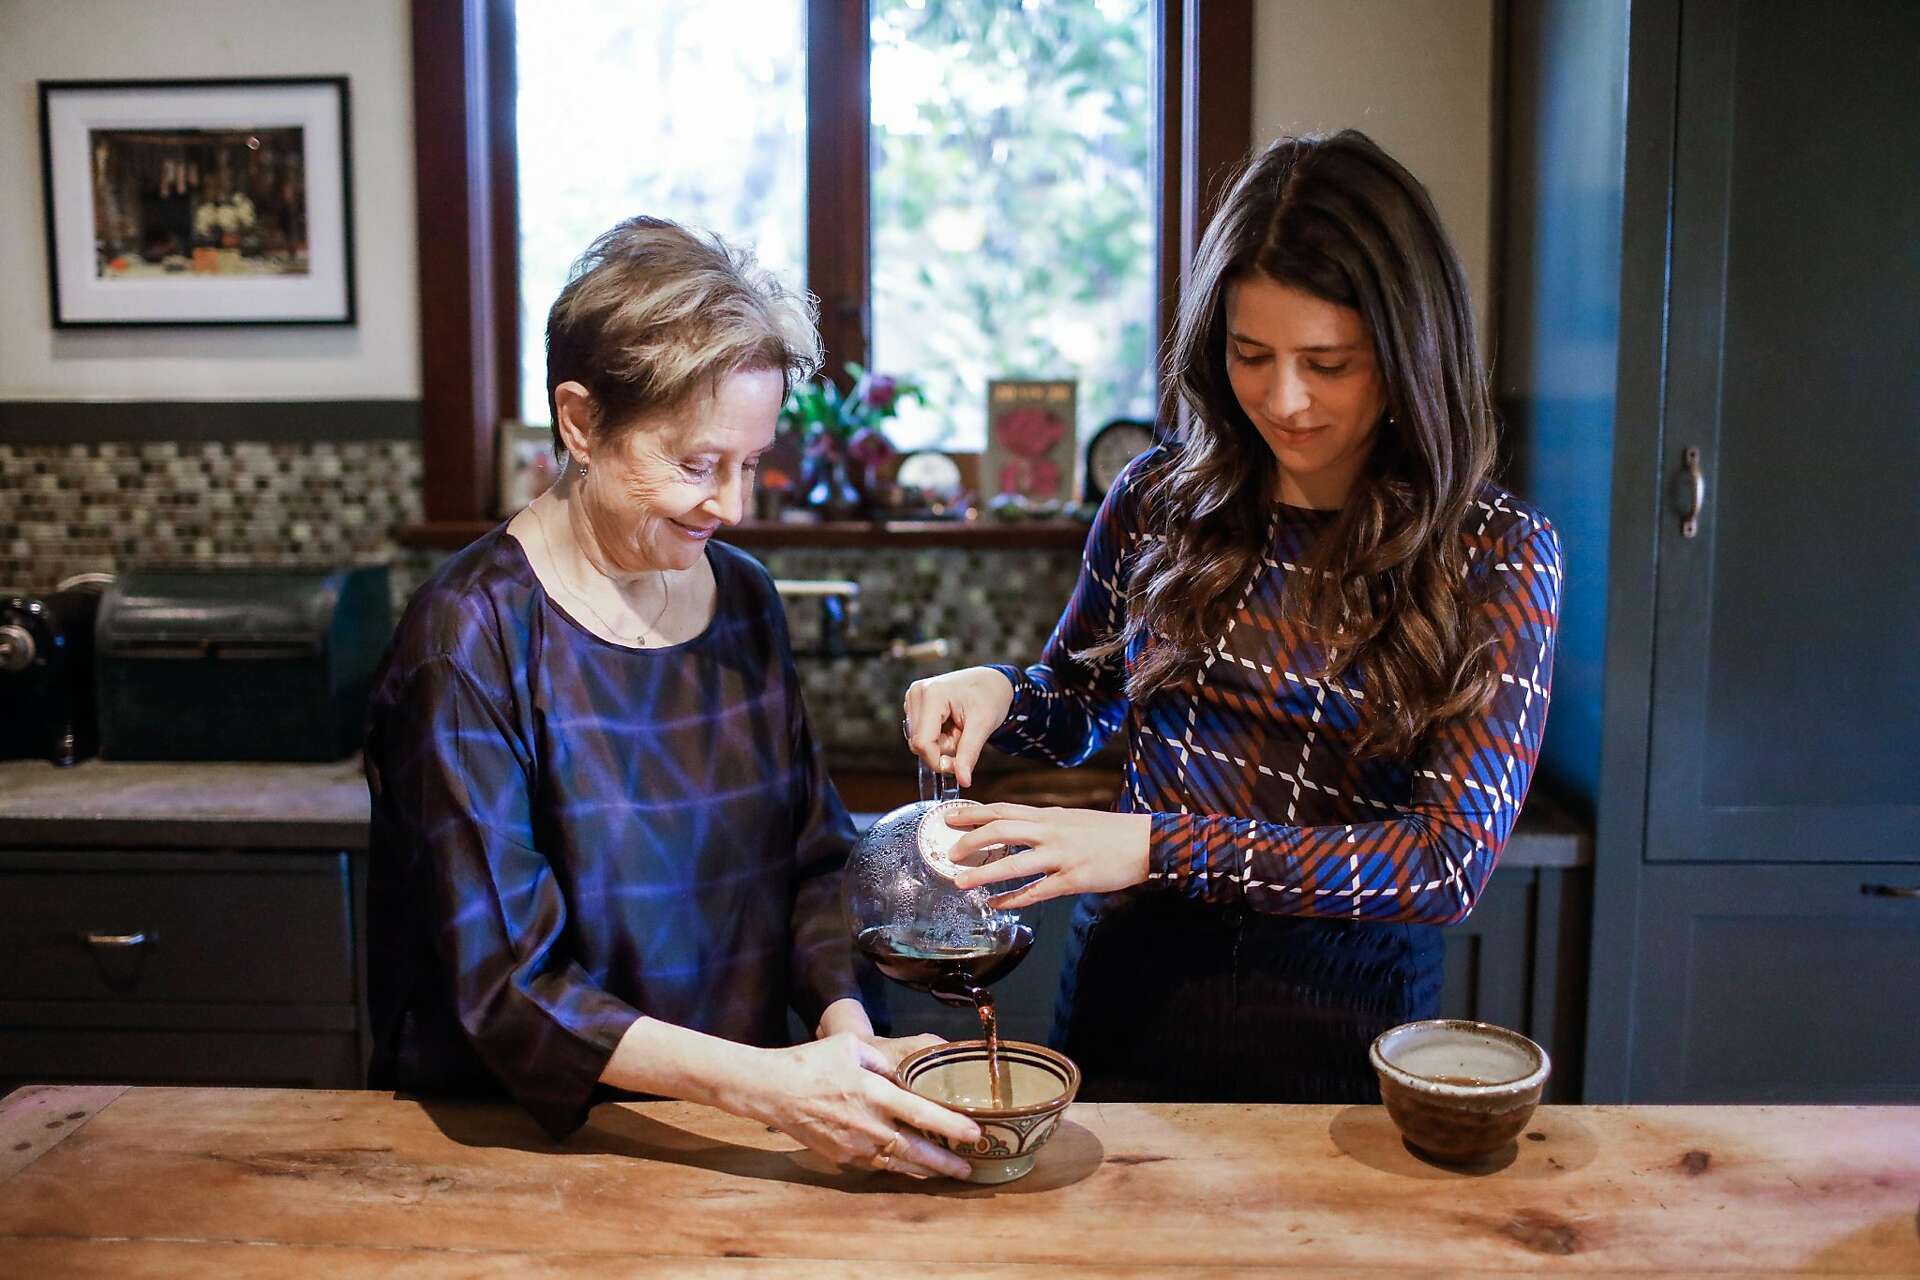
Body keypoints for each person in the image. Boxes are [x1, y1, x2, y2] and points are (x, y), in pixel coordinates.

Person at [903, 131, 1564, 1103]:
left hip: (1346, 1027)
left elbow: (1445, 861)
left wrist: (1154, 844)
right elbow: (1084, 702)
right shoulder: (1159, 494)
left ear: (1410, 350)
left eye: (1328, 363)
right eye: (1251, 354)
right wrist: (1001, 690)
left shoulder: (1493, 549)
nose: (1284, 399)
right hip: (1128, 998)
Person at [365, 216, 978, 1177]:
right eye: (696, 465)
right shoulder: (468, 639)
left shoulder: (739, 598)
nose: (730, 507)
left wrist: (844, 1037)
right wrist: (776, 1087)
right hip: (517, 1154)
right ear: (579, 422)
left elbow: (812, 862)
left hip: (724, 1132)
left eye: (750, 464)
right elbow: (508, 986)